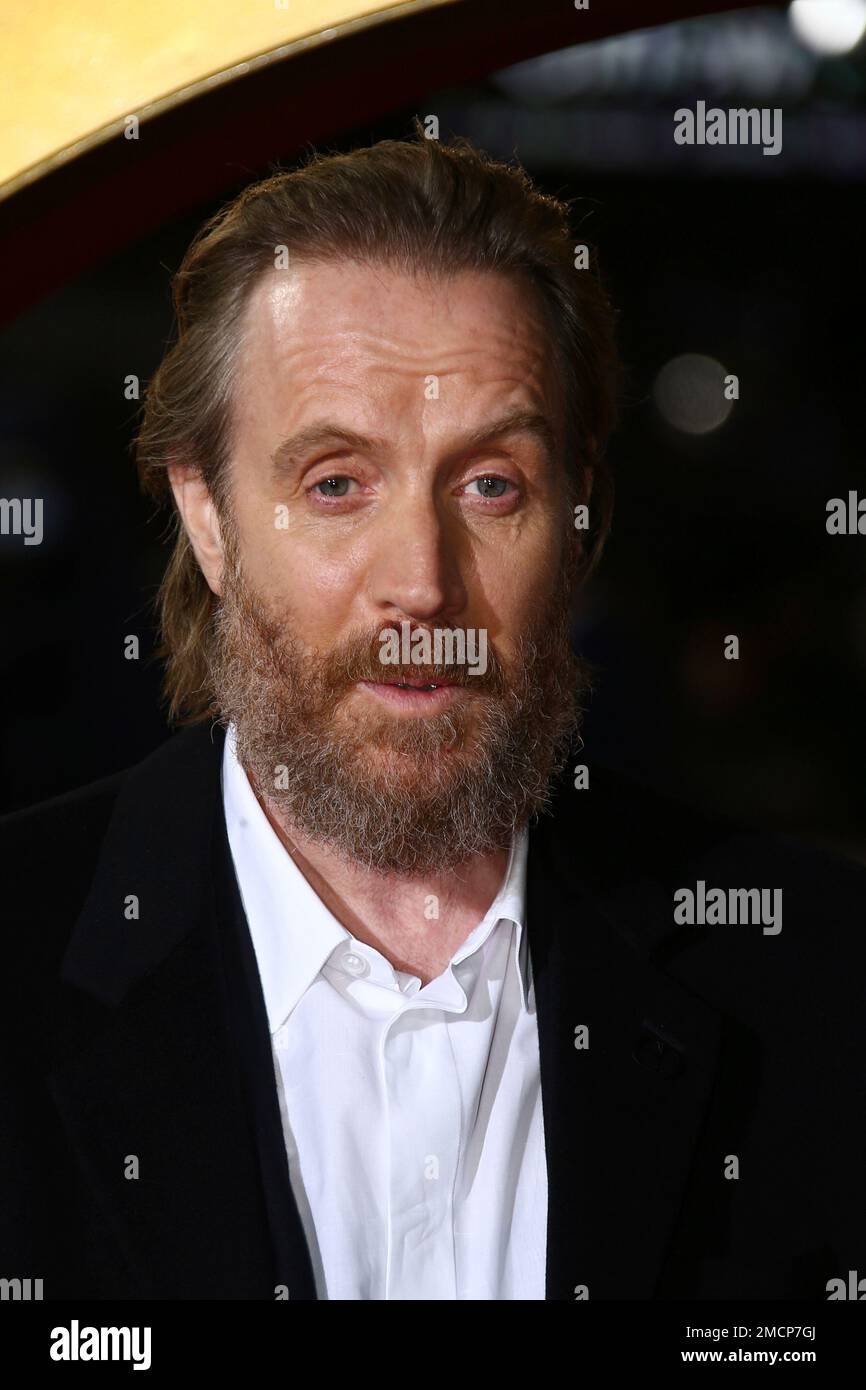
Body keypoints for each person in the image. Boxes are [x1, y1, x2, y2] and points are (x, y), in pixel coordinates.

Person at [1, 129, 864, 1302]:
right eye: (336, 484)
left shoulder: (819, 982)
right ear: (208, 521)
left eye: (488, 484)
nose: (420, 578)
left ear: (575, 525)